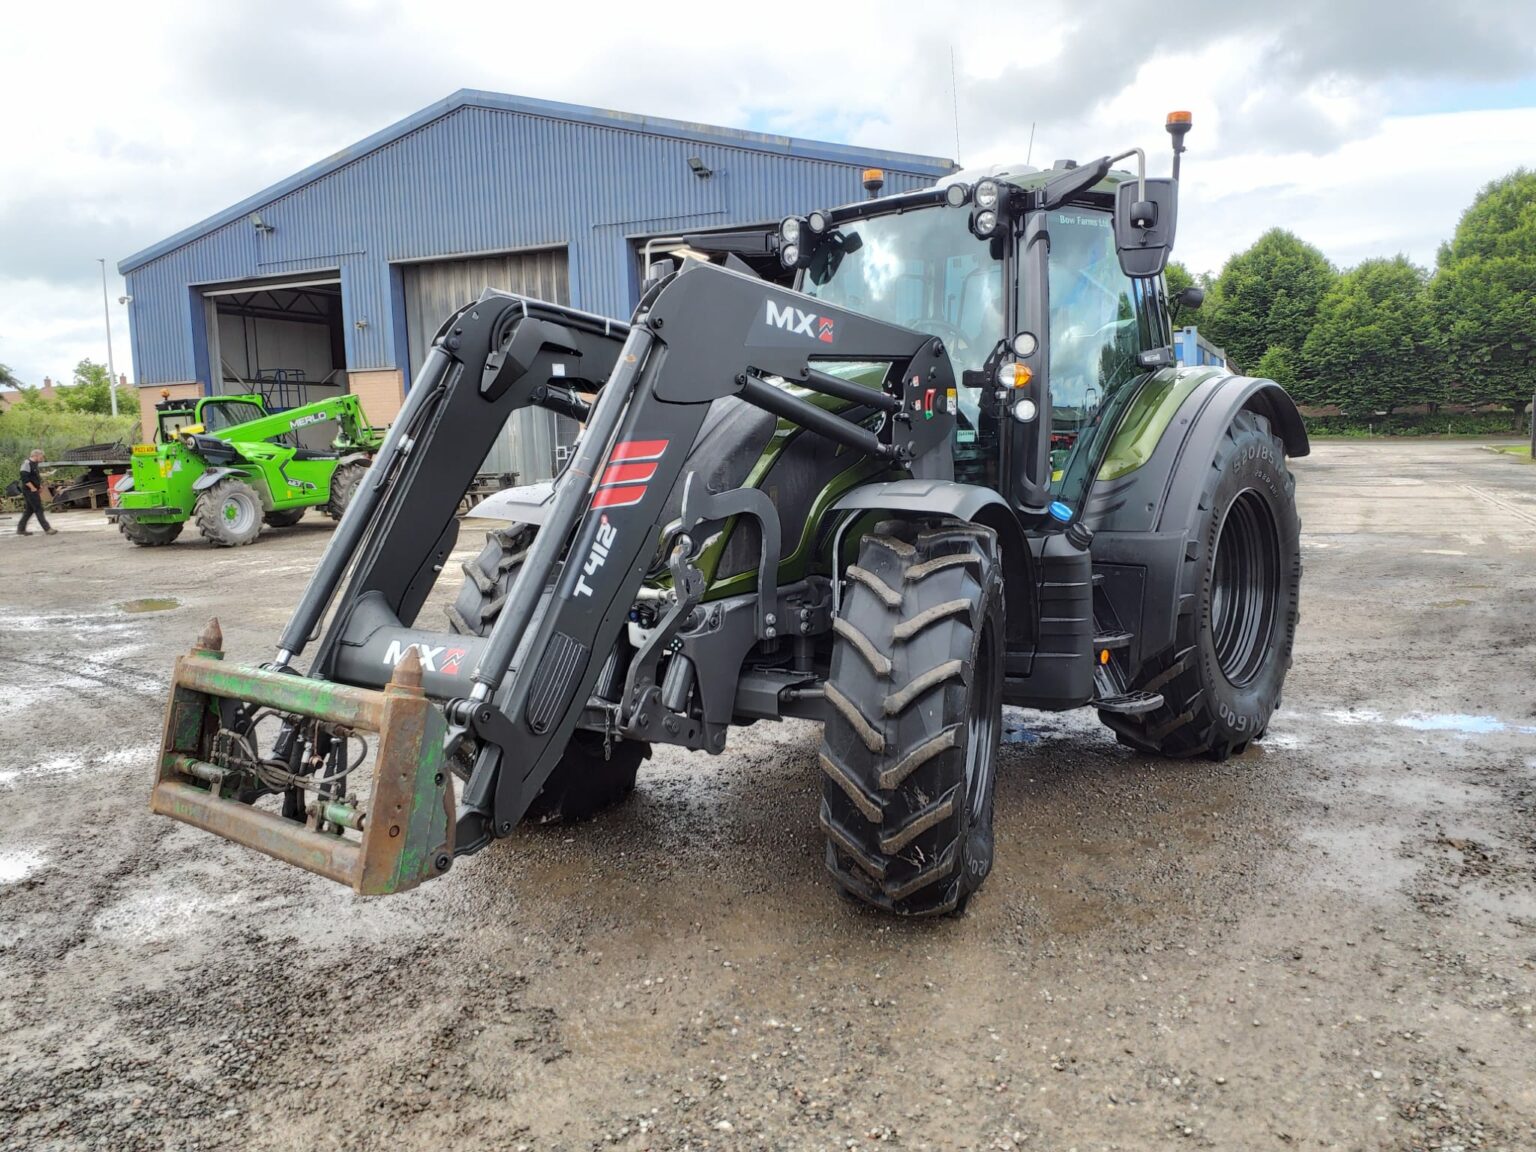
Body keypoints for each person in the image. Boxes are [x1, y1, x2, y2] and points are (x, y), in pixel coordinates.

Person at [17, 449, 57, 536]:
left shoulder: (34, 464)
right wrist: (33, 488)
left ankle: (20, 529)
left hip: (33, 489)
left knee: (29, 510)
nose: (42, 458)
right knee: (39, 509)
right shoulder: (27, 464)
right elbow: (24, 478)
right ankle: (47, 529)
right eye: (41, 456)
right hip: (29, 490)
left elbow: (35, 477)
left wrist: (39, 486)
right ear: (36, 455)